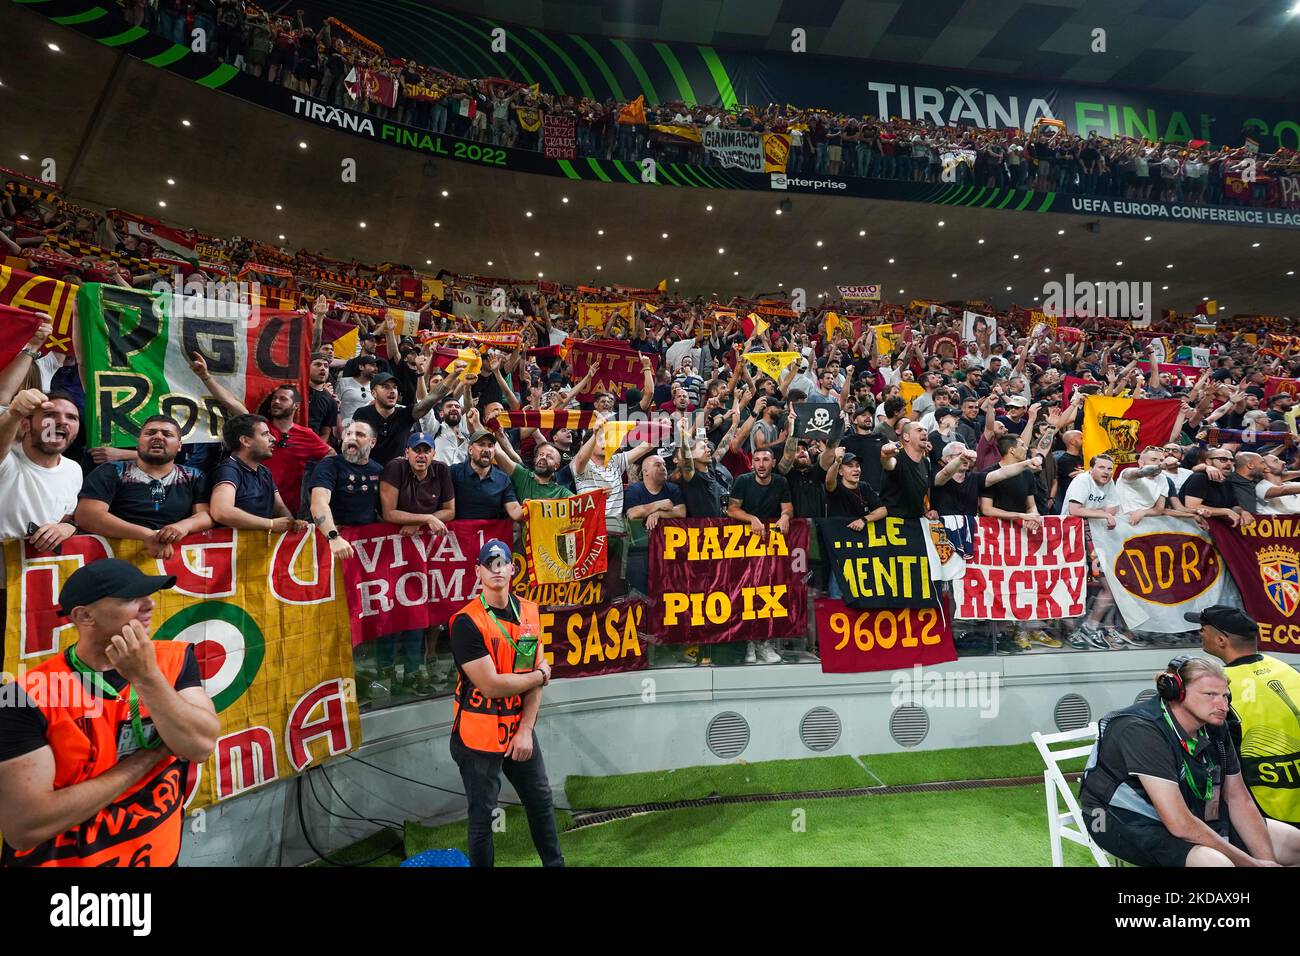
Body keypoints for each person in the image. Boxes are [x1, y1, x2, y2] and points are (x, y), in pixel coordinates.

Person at [0, 560, 219, 866]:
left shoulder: (174, 660)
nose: (149, 605)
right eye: (131, 598)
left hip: (159, 855)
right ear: (84, 615)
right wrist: (148, 758)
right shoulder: (25, 697)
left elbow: (201, 747)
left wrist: (146, 677)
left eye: (149, 594)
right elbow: (25, 827)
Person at [1081, 656, 1300, 867]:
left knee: (1295, 844)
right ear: (1176, 692)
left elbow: (1237, 798)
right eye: (1210, 694)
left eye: (1225, 696)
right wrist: (1251, 863)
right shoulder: (1139, 731)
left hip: (1189, 811)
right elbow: (1180, 825)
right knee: (1217, 863)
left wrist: (1266, 861)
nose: (1222, 705)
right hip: (1116, 819)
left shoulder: (1216, 723)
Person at [448, 539, 563, 868]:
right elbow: (493, 686)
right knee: (482, 819)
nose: (497, 569)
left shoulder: (528, 611)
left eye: (503, 563)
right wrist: (540, 677)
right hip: (477, 737)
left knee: (541, 800)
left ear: (513, 568)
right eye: (490, 563)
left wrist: (526, 729)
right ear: (479, 571)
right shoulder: (465, 622)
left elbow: (532, 671)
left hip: (518, 730)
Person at [1192, 606, 1300, 826]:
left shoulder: (1218, 686)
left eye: (1203, 629)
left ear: (1221, 640)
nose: (1200, 633)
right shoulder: (1287, 670)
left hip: (1260, 804)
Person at [192, 355, 334, 516]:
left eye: (283, 399)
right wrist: (206, 377)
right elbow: (230, 402)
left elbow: (331, 456)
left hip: (285, 511)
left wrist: (317, 487)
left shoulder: (306, 435)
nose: (276, 402)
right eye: (275, 398)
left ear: (295, 406)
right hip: (247, 508)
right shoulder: (258, 428)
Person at [75, 415, 213, 558]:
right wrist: (146, 535)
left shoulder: (194, 476)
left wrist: (183, 527)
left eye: (167, 434)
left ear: (179, 446)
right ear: (137, 442)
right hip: (117, 562)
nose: (158, 437)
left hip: (177, 563)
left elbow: (206, 515)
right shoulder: (110, 471)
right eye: (150, 433)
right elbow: (87, 515)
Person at [0, 389, 83, 582]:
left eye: (71, 417)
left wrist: (67, 527)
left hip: (37, 578)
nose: (62, 421)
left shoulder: (74, 470)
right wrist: (13, 413)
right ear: (25, 424)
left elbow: (67, 515)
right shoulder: (7, 459)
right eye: (50, 415)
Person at [727, 447, 793, 664]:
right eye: (757, 460)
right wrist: (752, 518)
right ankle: (748, 642)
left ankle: (764, 643)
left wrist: (784, 517)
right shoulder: (743, 481)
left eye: (766, 459)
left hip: (771, 546)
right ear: (752, 463)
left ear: (773, 463)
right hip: (743, 545)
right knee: (747, 592)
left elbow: (788, 509)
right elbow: (732, 509)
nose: (761, 464)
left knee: (769, 591)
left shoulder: (780, 482)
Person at [208, 414, 305, 531]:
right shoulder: (228, 470)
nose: (273, 438)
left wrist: (293, 524)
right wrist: (269, 524)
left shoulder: (264, 471)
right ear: (245, 441)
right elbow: (221, 511)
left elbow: (279, 508)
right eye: (265, 434)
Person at [624, 451, 684, 531]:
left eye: (664, 465)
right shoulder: (634, 489)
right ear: (645, 472)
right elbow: (632, 514)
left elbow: (681, 511)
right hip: (641, 538)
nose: (663, 468)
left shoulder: (673, 488)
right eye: (658, 465)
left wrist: (658, 514)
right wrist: (658, 505)